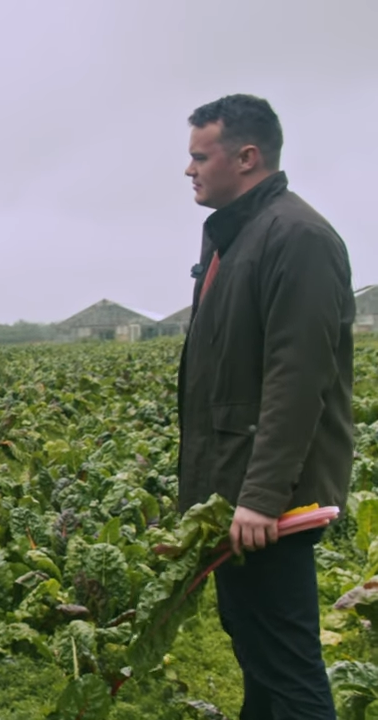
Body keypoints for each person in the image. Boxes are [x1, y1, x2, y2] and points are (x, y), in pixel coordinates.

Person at [178, 93, 355, 718]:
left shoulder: (296, 237)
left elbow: (298, 379)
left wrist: (260, 495)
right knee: (258, 648)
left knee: (286, 660)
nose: (189, 169)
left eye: (201, 156)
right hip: (237, 490)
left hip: (273, 501)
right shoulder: (238, 235)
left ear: (247, 157)